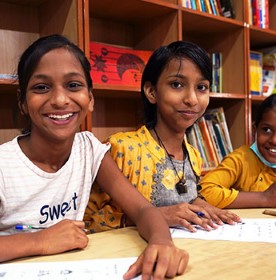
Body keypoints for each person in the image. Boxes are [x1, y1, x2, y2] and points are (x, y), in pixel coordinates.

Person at [0, 34, 189, 280]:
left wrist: (162, 242)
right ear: (23, 102)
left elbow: (142, 209)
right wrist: (40, 241)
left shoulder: (89, 149)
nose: (60, 100)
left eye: (73, 85)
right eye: (41, 88)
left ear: (90, 98)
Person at [85, 40, 241, 234]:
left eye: (201, 87)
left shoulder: (192, 155)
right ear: (152, 92)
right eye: (177, 84)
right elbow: (85, 223)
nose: (192, 99)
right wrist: (155, 216)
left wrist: (201, 205)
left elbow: (183, 200)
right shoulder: (121, 148)